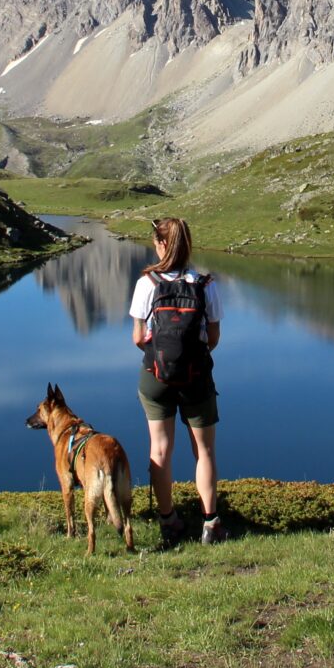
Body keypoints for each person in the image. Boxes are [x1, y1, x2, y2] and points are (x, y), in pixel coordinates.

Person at [130, 216, 225, 545]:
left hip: (155, 377)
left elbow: (138, 337)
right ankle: (211, 523)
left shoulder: (147, 283)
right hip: (196, 377)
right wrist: (191, 353)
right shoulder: (205, 283)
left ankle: (168, 520)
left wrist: (160, 351)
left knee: (160, 449)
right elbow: (213, 337)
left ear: (160, 244)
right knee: (205, 451)